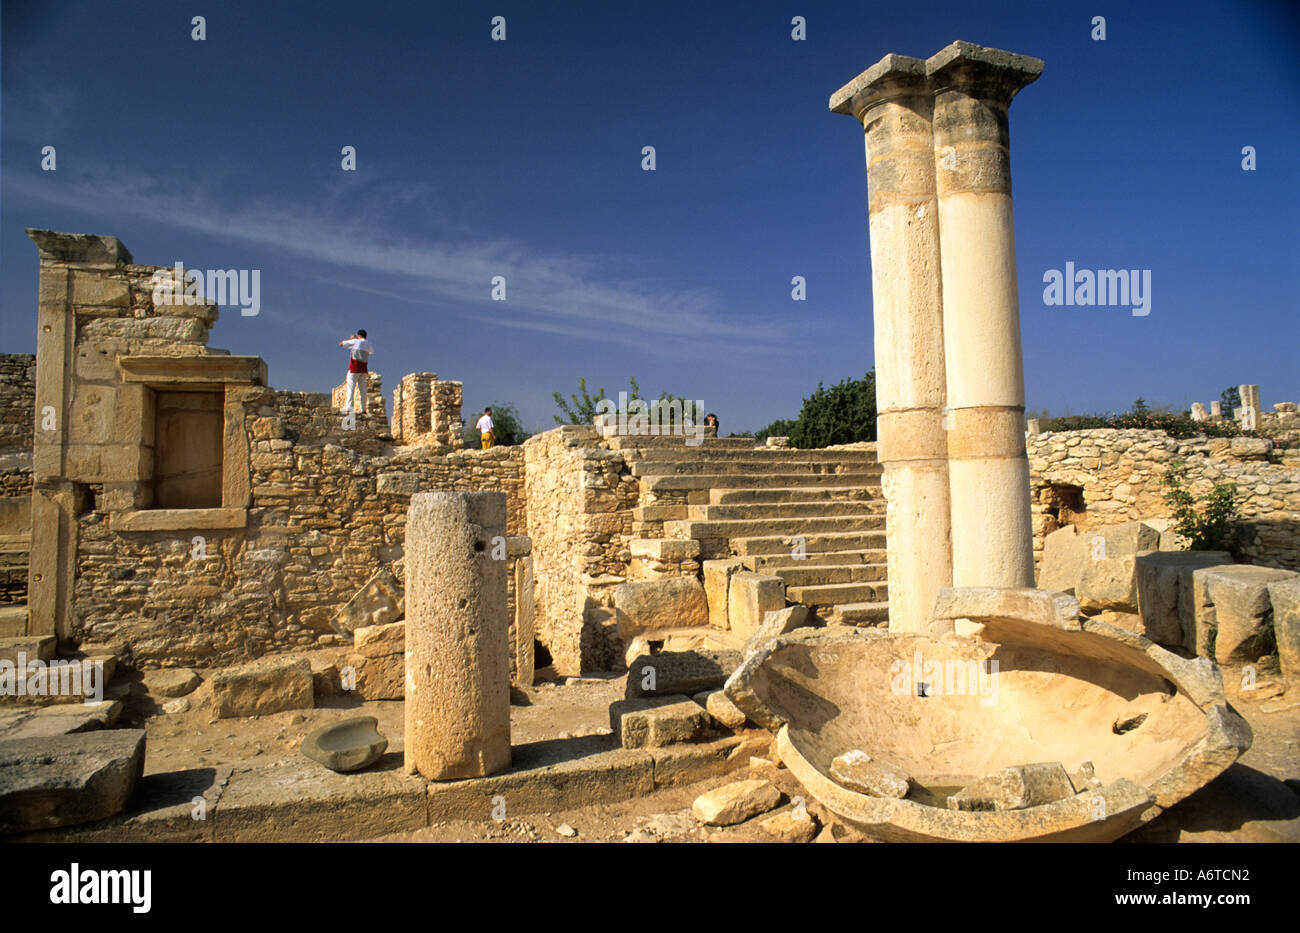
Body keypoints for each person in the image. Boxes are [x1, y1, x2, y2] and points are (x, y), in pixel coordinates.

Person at [338, 329, 373, 414]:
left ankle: (349, 407)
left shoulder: (356, 341)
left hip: (354, 368)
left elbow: (341, 344)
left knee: (350, 387)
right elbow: (371, 352)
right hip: (364, 369)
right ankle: (363, 409)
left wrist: (351, 339)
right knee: (363, 390)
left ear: (359, 335)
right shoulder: (369, 345)